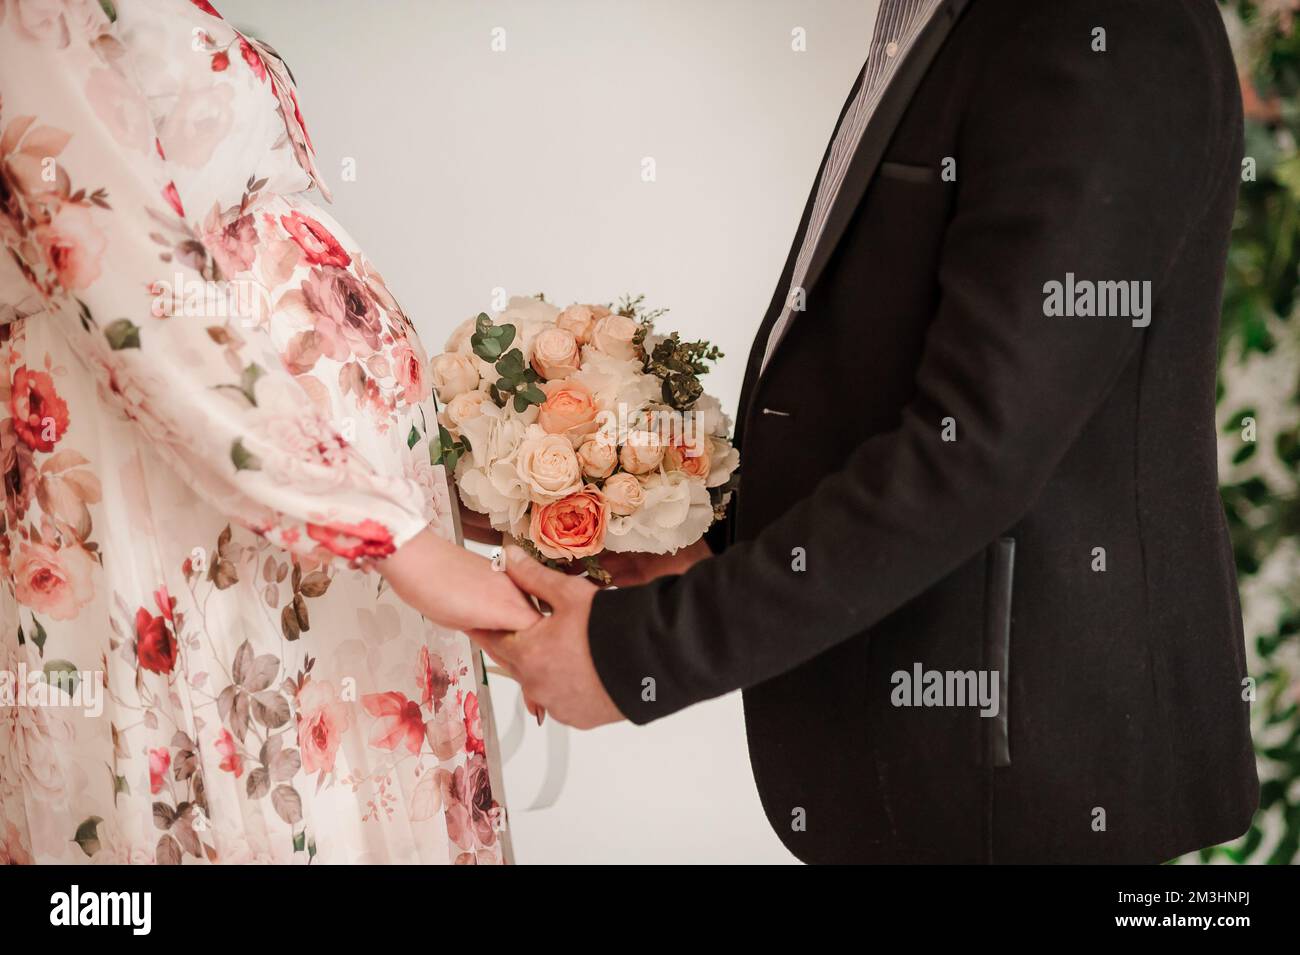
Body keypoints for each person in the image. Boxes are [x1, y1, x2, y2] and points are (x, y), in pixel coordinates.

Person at [476, 0, 1262, 864]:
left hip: (1027, 785)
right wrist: (708, 540)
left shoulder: (1094, 24)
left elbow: (974, 449)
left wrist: (641, 652)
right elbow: (895, 380)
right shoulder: (932, 21)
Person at [0, 0, 535, 864]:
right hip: (201, 515)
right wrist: (393, 536)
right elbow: (112, 265)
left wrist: (440, 478)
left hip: (318, 541)